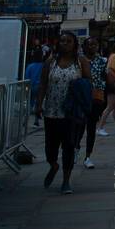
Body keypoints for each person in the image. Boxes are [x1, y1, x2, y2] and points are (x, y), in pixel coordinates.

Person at [35, 31, 91, 193]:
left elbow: (88, 84)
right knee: (50, 149)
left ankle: (66, 181)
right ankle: (53, 165)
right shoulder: (50, 62)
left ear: (74, 44)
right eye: (62, 41)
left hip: (71, 113)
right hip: (51, 111)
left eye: (68, 41)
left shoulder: (81, 62)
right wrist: (39, 104)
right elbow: (43, 84)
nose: (65, 44)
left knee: (69, 146)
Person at [78, 37, 108, 167]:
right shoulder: (78, 61)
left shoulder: (102, 61)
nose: (92, 47)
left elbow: (106, 78)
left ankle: (87, 156)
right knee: (78, 127)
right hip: (81, 97)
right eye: (90, 44)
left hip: (96, 97)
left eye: (95, 44)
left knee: (91, 128)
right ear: (84, 47)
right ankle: (75, 148)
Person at [25, 50, 45, 126]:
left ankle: (25, 120)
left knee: (30, 103)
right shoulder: (43, 66)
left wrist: (27, 87)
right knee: (38, 104)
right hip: (40, 88)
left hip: (31, 87)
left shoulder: (30, 66)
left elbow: (27, 77)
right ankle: (36, 121)